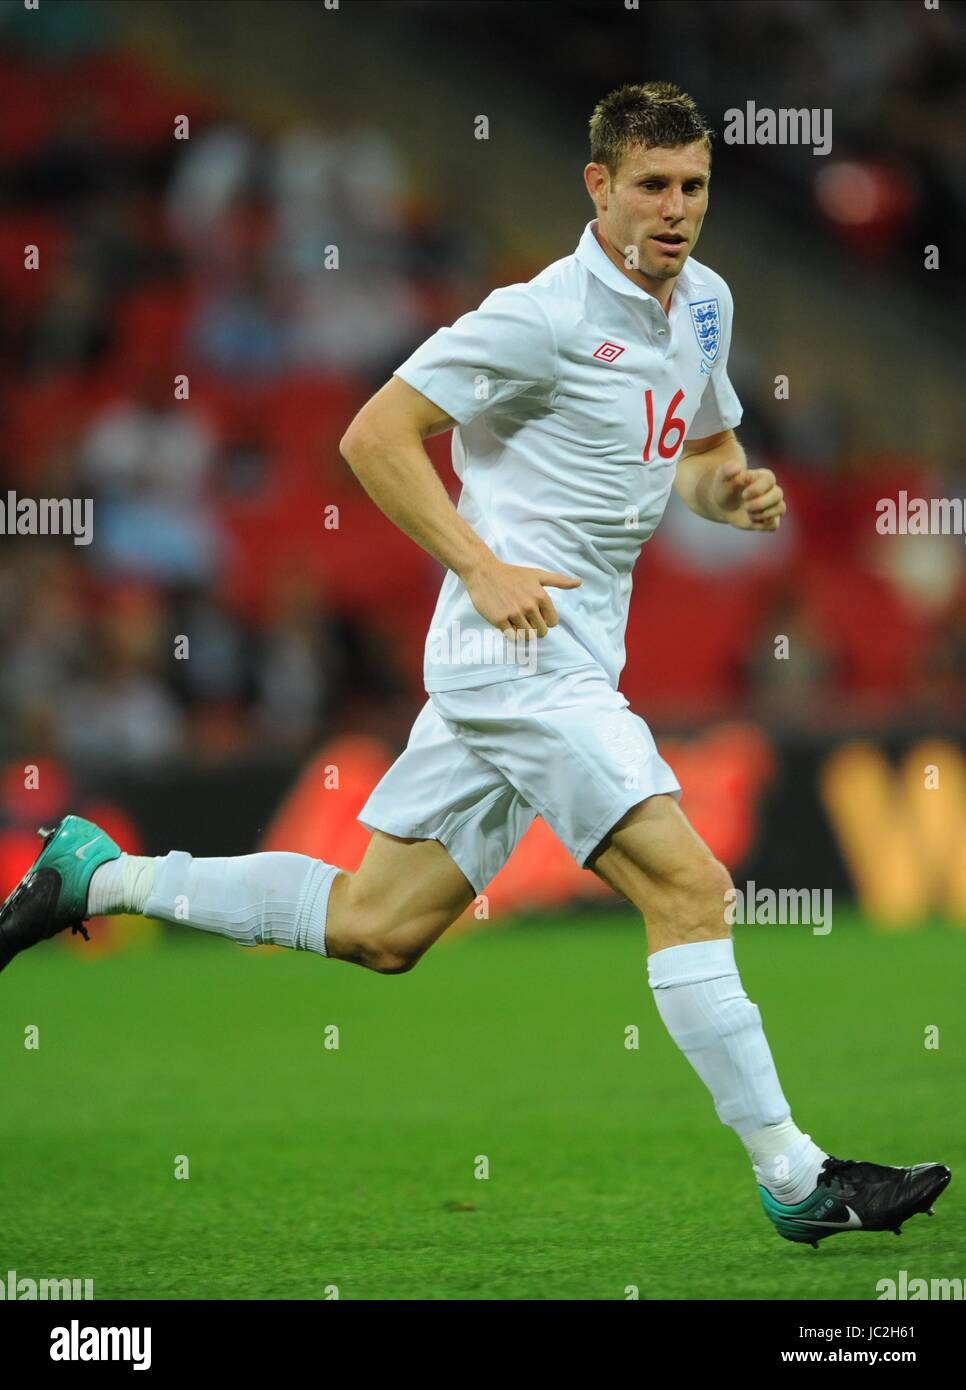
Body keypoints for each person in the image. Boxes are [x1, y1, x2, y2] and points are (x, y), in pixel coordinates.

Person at [0, 83, 949, 1247]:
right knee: (691, 887)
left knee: (380, 926)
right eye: (651, 184)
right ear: (596, 186)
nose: (676, 208)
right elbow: (373, 436)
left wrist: (730, 487)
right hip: (520, 662)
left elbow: (699, 450)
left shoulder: (703, 304)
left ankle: (99, 877)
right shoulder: (537, 315)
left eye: (694, 185)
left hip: (558, 658)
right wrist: (482, 563)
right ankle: (798, 1179)